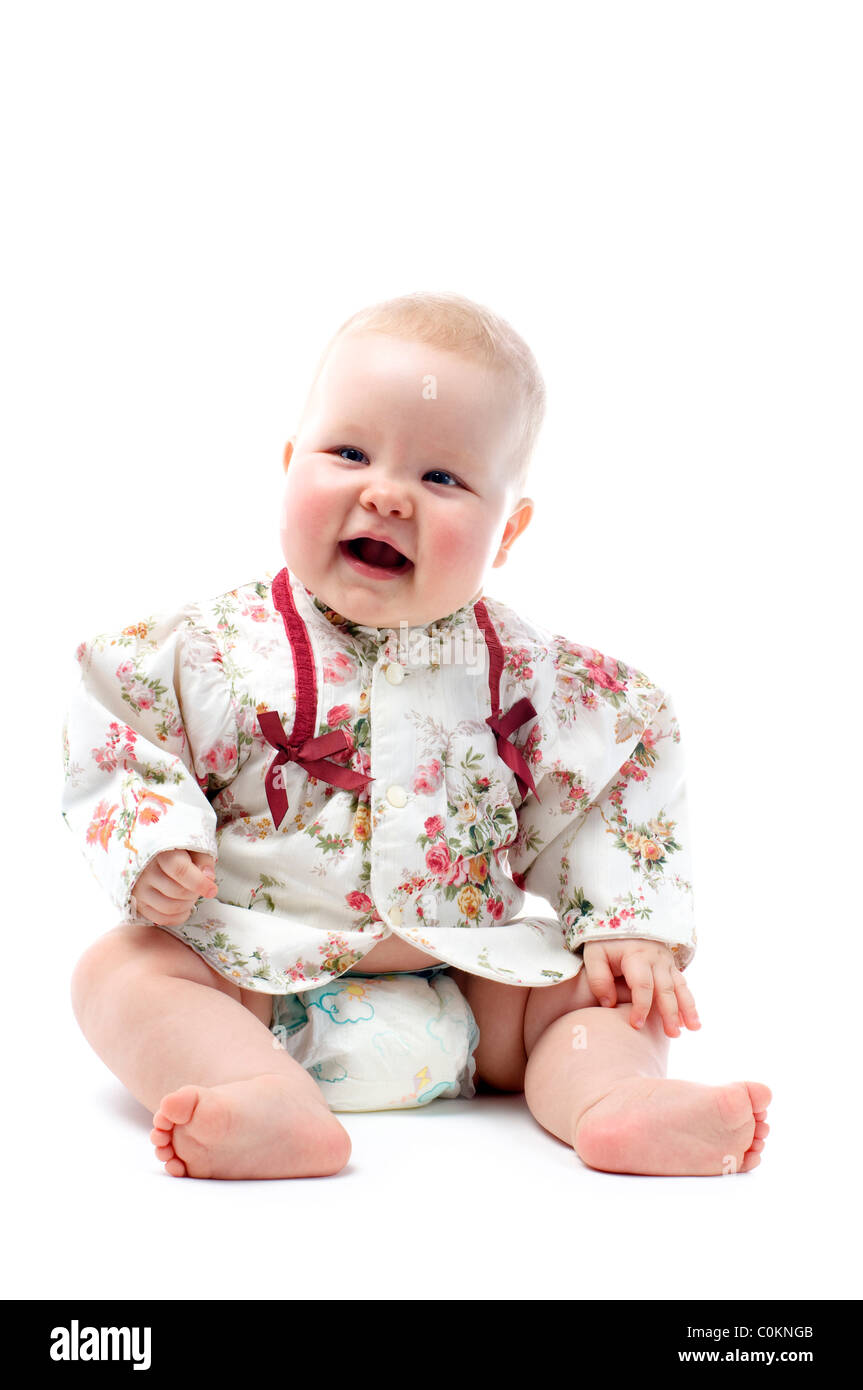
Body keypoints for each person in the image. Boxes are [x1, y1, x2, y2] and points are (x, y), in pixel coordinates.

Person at [62, 290, 771, 1180]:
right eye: (348, 452)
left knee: (598, 997)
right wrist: (152, 839)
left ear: (506, 531)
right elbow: (121, 729)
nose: (386, 492)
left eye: (443, 478)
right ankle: (259, 1095)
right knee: (121, 971)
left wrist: (627, 927)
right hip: (253, 981)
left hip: (477, 987)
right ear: (289, 466)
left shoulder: (534, 678)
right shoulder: (205, 652)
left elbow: (620, 766)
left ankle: (612, 1101)